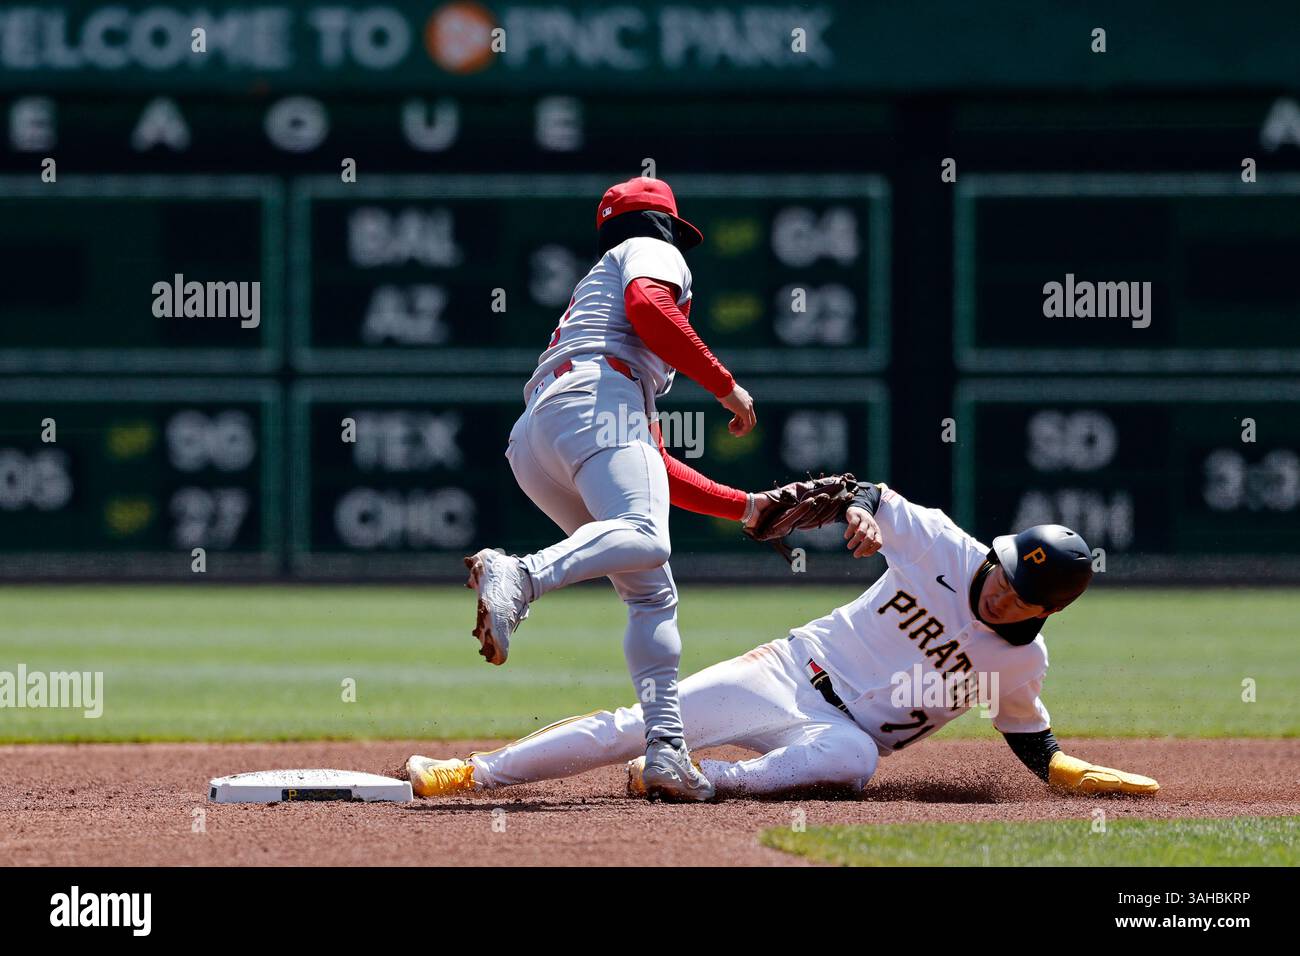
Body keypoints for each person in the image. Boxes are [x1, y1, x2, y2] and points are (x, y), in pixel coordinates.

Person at [412, 481, 1160, 800]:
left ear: (1044, 610)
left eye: (1017, 590)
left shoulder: (1021, 661)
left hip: (840, 736)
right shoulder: (945, 546)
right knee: (638, 725)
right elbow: (864, 494)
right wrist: (860, 515)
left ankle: (700, 784)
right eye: (1001, 568)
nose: (997, 585)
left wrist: (1065, 772)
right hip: (787, 671)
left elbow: (1030, 735)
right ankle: (474, 774)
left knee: (857, 758)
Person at [460, 176, 764, 801]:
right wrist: (725, 385)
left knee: (648, 581)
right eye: (676, 232)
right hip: (599, 397)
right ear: (662, 227)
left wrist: (747, 505)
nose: (680, 245)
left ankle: (667, 751)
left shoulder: (592, 296)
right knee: (645, 539)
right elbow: (651, 307)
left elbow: (650, 467)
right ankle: (522, 575)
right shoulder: (649, 252)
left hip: (539, 433)